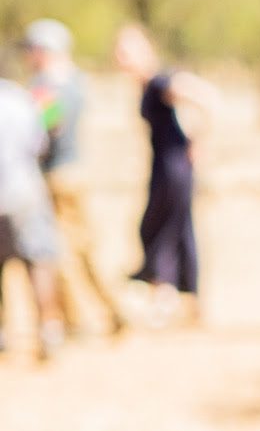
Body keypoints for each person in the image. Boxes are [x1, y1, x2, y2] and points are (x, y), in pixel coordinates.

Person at [23, 19, 125, 337]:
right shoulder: (77, 81)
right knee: (86, 246)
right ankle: (111, 309)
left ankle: (75, 318)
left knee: (59, 250)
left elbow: (43, 133)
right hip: (77, 171)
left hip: (57, 176)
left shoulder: (46, 88)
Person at [113, 25, 212, 326]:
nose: (121, 58)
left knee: (159, 230)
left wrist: (200, 141)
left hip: (173, 169)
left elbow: (205, 98)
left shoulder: (160, 82)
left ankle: (165, 298)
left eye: (126, 52)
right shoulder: (147, 85)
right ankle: (187, 302)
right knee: (177, 231)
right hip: (166, 166)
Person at [0, 75, 65, 360]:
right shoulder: (21, 98)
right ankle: (49, 330)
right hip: (25, 190)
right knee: (38, 261)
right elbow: (42, 141)